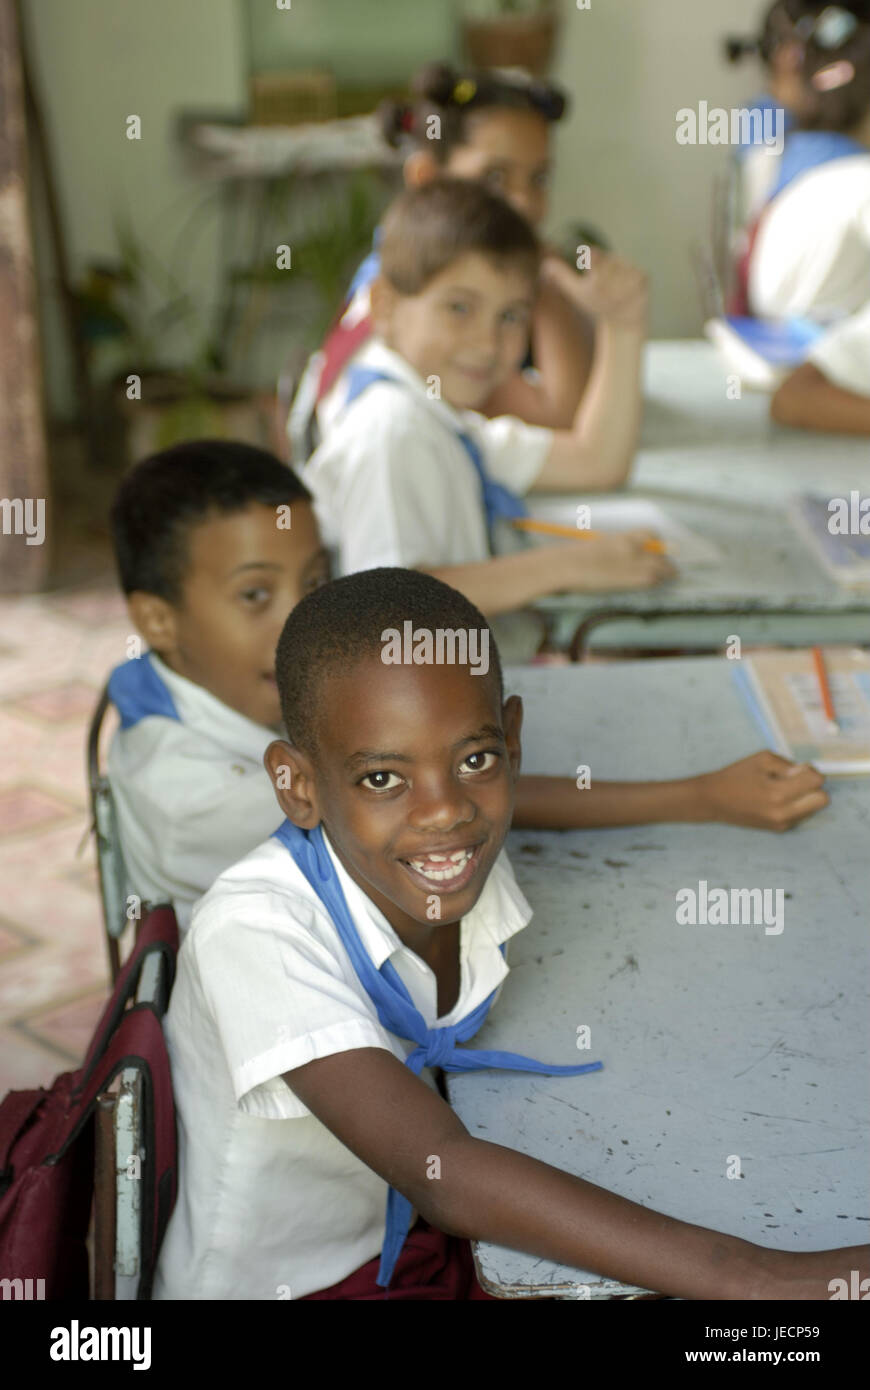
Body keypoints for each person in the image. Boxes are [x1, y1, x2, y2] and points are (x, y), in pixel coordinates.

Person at [151, 568, 866, 1300]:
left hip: (411, 1236)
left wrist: (701, 796)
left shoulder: (432, 856)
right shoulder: (257, 934)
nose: (444, 811)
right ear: (298, 785)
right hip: (303, 1282)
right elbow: (446, 1172)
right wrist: (770, 1278)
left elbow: (506, 800)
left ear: (511, 744)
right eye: (381, 780)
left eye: (475, 759)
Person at [106, 442, 826, 936]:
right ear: (158, 620)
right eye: (254, 595)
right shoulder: (189, 793)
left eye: (315, 580)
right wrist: (697, 796)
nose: (300, 616)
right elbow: (447, 807)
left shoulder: (221, 690)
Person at [302, 178, 666, 646]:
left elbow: (598, 461)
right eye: (459, 308)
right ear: (385, 307)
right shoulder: (392, 430)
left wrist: (623, 325)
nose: (488, 343)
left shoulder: (439, 418)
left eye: (511, 316)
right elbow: (388, 610)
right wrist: (570, 565)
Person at [288, 62, 646, 461]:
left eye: (539, 180)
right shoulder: (417, 301)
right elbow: (567, 416)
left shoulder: (433, 262)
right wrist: (543, 277)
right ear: (426, 177)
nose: (525, 202)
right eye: (494, 177)